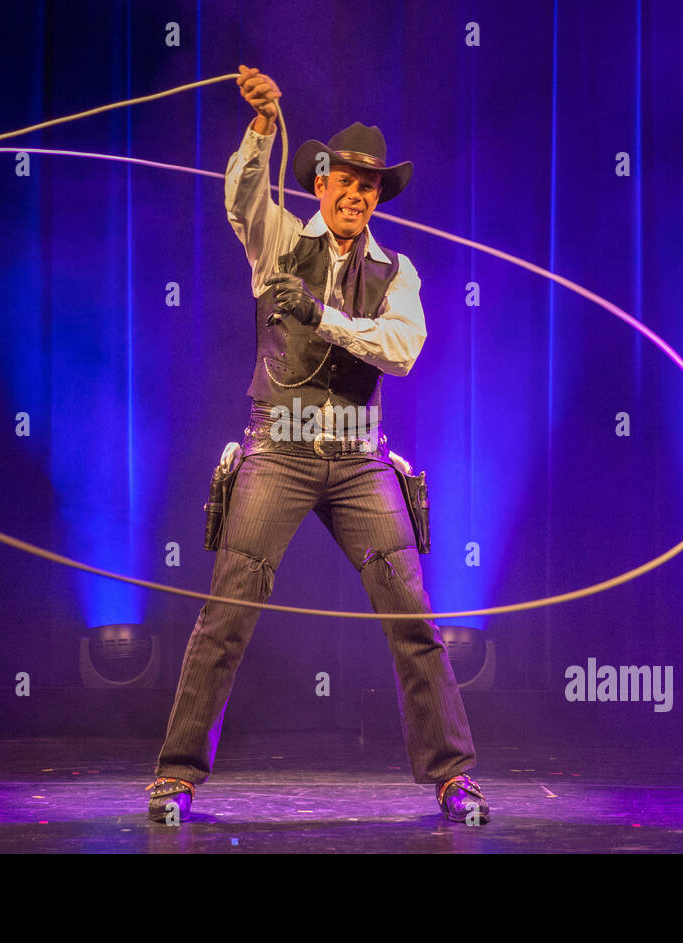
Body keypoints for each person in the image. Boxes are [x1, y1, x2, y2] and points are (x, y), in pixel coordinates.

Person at [146, 65, 489, 825]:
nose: (355, 194)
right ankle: (176, 774)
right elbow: (241, 198)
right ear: (322, 182)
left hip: (360, 452)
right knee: (229, 602)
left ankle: (452, 775)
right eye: (344, 180)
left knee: (411, 613)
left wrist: (325, 318)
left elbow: (401, 349)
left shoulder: (398, 272)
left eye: (369, 186)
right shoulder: (277, 241)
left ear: (375, 197)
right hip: (281, 444)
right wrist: (264, 127)